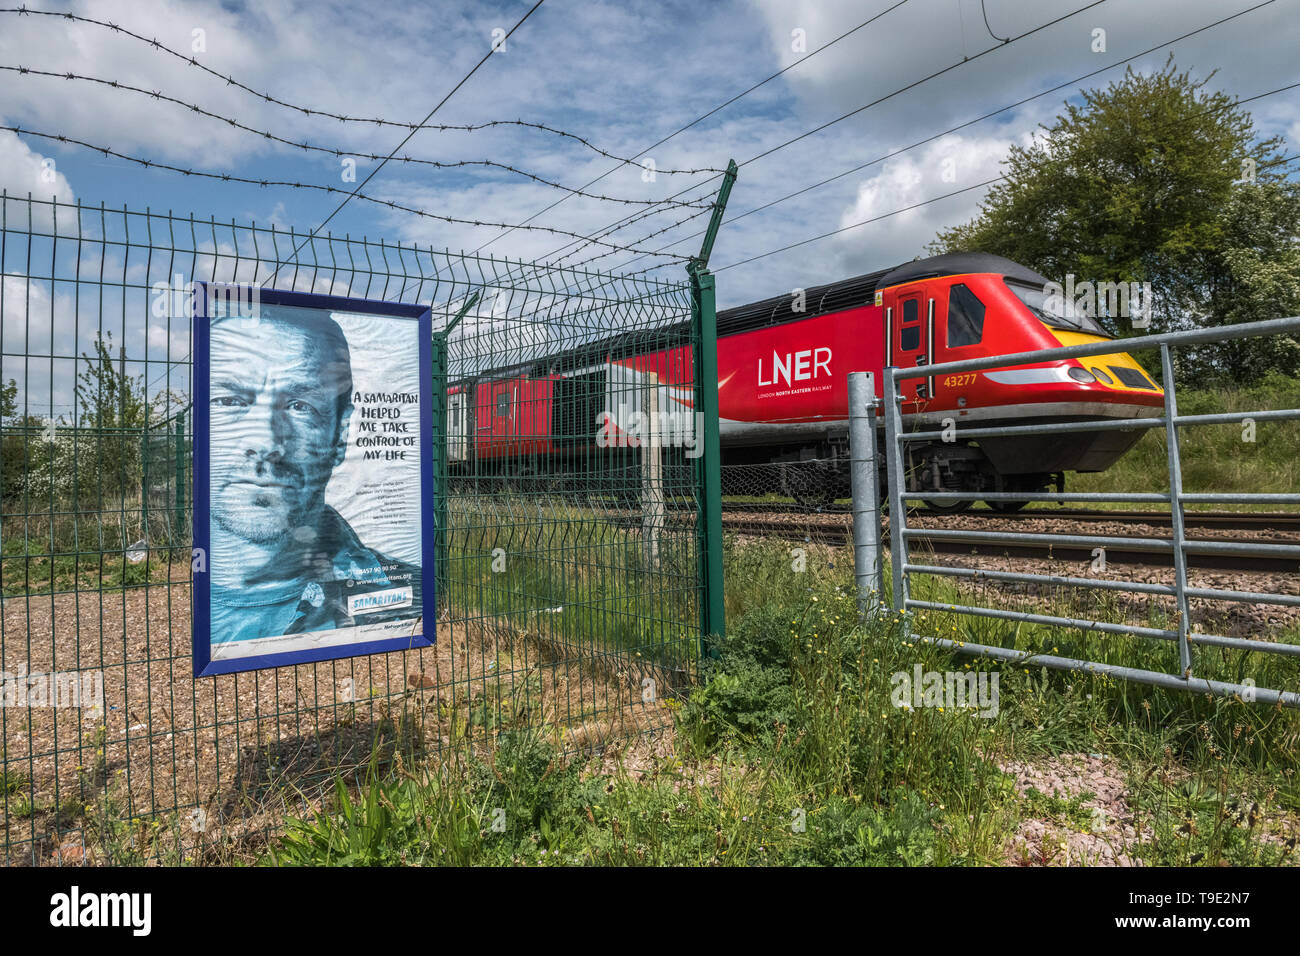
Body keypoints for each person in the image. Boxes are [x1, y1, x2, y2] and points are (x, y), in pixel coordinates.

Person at [206, 307, 421, 646]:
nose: (266, 442)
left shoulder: (410, 599)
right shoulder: (160, 597)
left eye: (300, 406)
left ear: (341, 434)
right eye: (230, 400)